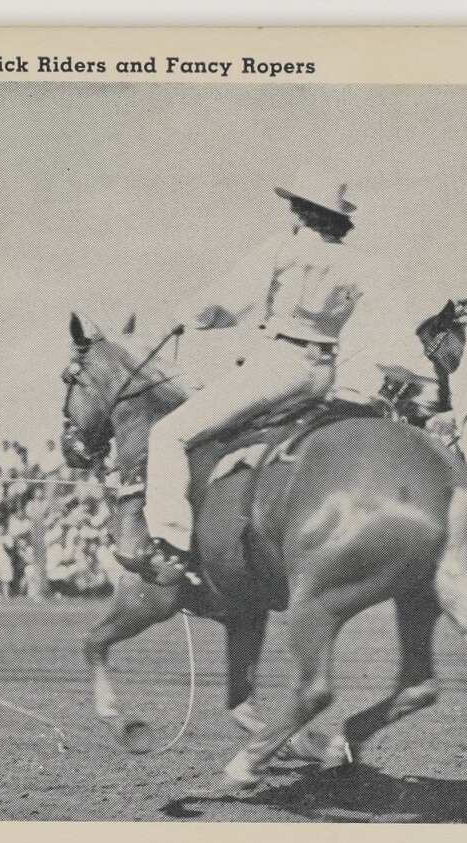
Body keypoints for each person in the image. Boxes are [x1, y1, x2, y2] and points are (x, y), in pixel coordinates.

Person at [129, 167, 381, 585]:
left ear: (302, 211)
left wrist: (184, 319)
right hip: (324, 371)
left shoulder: (282, 249)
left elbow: (227, 301)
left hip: (279, 365)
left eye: (293, 207)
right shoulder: (357, 263)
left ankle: (170, 546)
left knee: (169, 434)